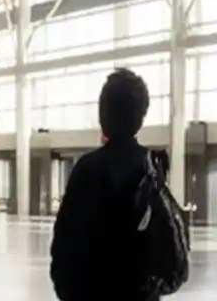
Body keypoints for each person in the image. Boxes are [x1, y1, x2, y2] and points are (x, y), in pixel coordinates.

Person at [51, 68, 162, 301]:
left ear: (103, 115)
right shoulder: (151, 167)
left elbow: (65, 243)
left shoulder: (88, 168)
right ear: (140, 119)